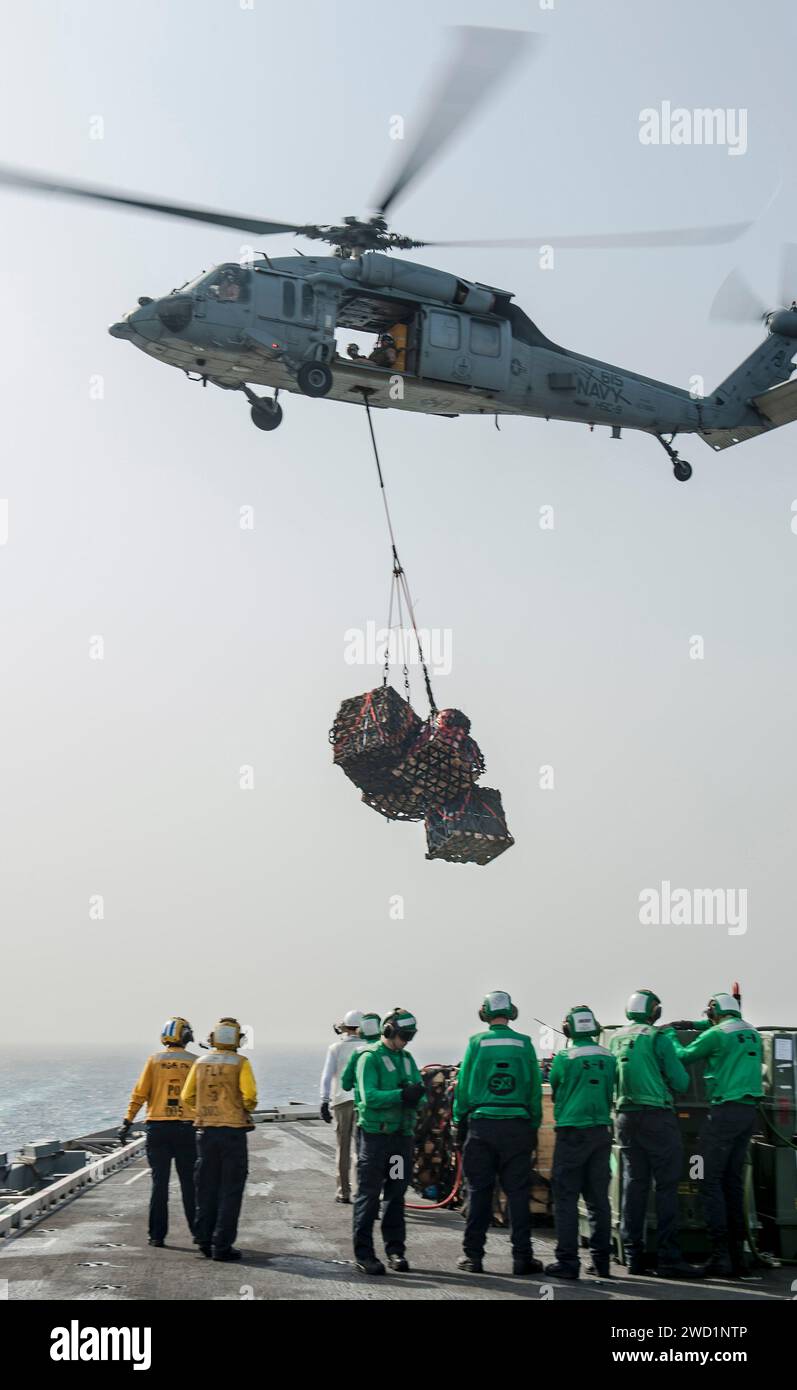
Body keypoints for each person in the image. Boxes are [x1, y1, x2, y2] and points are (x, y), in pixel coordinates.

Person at [668, 993, 763, 1277]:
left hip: (723, 1114)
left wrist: (672, 1034)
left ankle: (720, 1256)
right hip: (749, 1115)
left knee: (708, 1182)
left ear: (714, 1012)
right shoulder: (751, 1032)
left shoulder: (716, 1035)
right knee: (732, 1184)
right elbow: (717, 1025)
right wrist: (693, 1021)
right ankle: (738, 1256)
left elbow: (684, 1056)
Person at [609, 989, 699, 1278]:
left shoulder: (615, 1039)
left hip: (625, 1117)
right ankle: (669, 1257)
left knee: (634, 1184)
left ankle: (633, 1255)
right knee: (666, 1187)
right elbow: (681, 1081)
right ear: (654, 1011)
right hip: (657, 1118)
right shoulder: (657, 1037)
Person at [453, 991, 543, 1276]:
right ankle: (521, 1258)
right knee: (518, 1194)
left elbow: (464, 1088)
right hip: (517, 1126)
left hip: (482, 1126)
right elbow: (534, 1091)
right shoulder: (525, 1044)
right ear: (511, 1012)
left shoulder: (476, 1043)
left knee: (479, 1192)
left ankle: (473, 1257)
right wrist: (533, 1125)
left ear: (485, 1013)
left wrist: (459, 1121)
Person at [544, 1005, 616, 1280]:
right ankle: (602, 1262)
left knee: (566, 1198)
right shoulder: (609, 1057)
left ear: (568, 1029)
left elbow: (556, 1088)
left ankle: (568, 1262)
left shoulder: (564, 1057)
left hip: (572, 1133)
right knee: (599, 1200)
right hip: (600, 1132)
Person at [352, 1008, 425, 1276]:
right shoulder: (369, 1059)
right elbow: (369, 1097)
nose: (406, 1041)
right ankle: (364, 1254)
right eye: (403, 1036)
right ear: (388, 1031)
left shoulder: (407, 1059)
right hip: (375, 1139)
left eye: (410, 1037)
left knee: (396, 1194)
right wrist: (401, 1095)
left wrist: (417, 1096)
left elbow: (418, 1092)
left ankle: (395, 1250)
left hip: (399, 1140)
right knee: (369, 1196)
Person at [180, 1017, 257, 1263]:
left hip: (205, 1132)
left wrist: (203, 1110)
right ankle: (222, 1245)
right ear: (237, 1040)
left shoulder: (200, 1062)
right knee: (230, 1190)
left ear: (212, 1039)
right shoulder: (241, 1063)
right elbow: (250, 1096)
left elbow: (187, 1096)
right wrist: (243, 1108)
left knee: (206, 1188)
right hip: (233, 1133)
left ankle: (203, 1240)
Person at [119, 1016, 197, 1248]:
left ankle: (156, 1236)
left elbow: (139, 1094)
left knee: (159, 1183)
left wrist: (127, 1120)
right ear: (185, 1036)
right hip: (186, 1128)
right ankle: (198, 1232)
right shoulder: (195, 1062)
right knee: (190, 1184)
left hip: (158, 1129)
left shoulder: (154, 1060)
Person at [320, 1009, 363, 1204]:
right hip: (363, 1102)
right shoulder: (370, 1047)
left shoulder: (335, 1048)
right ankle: (362, 1190)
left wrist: (324, 1100)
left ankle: (343, 1192)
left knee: (342, 1148)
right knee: (361, 1149)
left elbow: (327, 1076)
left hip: (340, 1102)